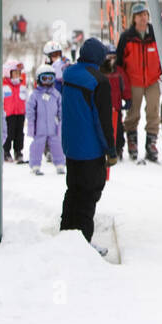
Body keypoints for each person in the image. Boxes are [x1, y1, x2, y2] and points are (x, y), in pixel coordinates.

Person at [60, 38, 118, 251]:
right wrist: (110, 150)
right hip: (90, 150)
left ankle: (66, 235)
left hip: (71, 146)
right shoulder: (98, 81)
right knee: (88, 195)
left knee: (73, 191)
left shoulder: (68, 75)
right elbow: (102, 121)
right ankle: (82, 244)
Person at [116, 2, 162, 162]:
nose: (143, 18)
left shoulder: (156, 34)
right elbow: (119, 63)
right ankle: (132, 141)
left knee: (153, 112)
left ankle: (151, 144)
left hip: (152, 81)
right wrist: (122, 84)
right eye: (139, 16)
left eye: (145, 15)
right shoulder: (126, 37)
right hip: (133, 81)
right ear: (134, 19)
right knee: (133, 113)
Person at [26, 65, 65, 175]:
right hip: (40, 127)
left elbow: (61, 109)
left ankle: (60, 164)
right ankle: (35, 166)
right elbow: (30, 110)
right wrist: (31, 125)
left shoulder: (56, 94)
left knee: (57, 145)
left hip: (53, 126)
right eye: (44, 78)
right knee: (37, 146)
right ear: (39, 79)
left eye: (50, 78)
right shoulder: (35, 95)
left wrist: (61, 123)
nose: (47, 82)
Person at [2, 60, 28, 164]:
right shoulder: (4, 85)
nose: (17, 75)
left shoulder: (22, 84)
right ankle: (6, 151)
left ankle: (18, 151)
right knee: (9, 133)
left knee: (19, 134)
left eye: (19, 73)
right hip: (8, 114)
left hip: (20, 113)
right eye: (15, 73)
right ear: (8, 73)